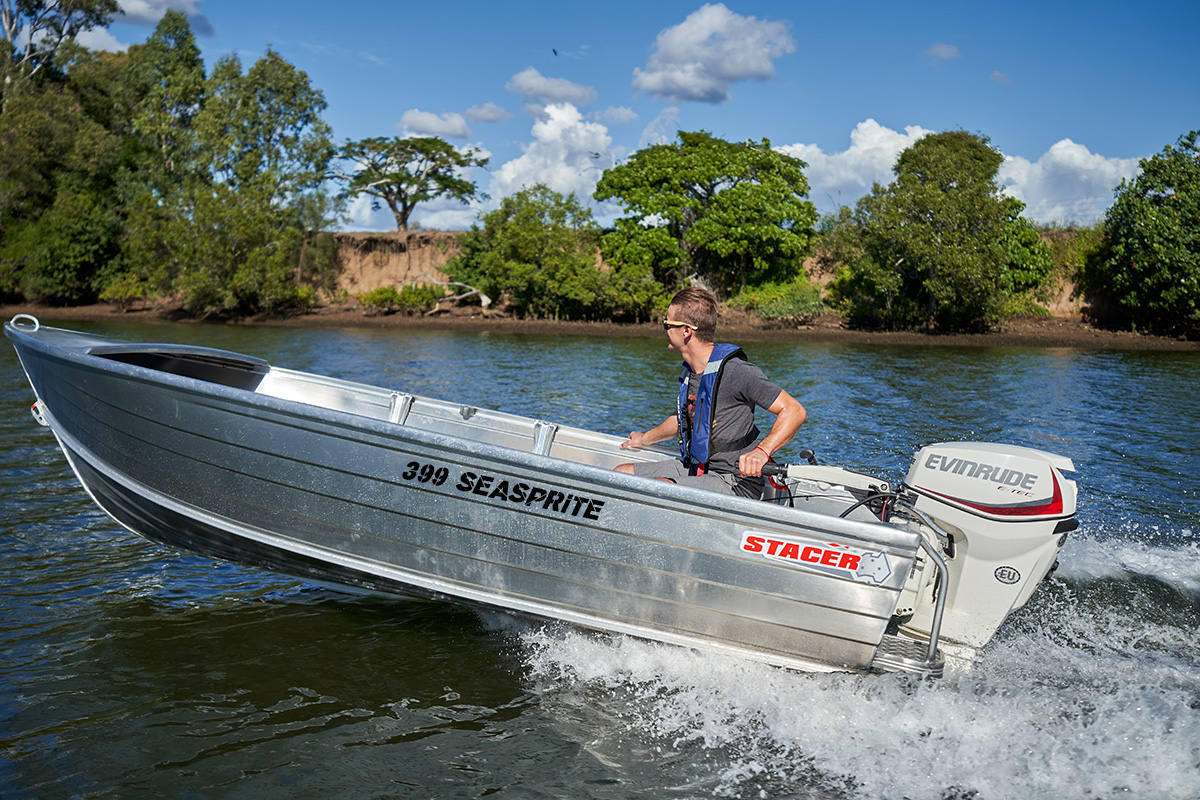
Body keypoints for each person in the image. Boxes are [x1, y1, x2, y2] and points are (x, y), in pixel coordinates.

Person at [616, 288, 807, 498]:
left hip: (734, 482)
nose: (664, 329)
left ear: (686, 331)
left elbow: (794, 411)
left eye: (667, 324)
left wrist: (762, 452)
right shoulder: (691, 371)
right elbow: (683, 420)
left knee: (657, 488)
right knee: (620, 474)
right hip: (696, 468)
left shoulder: (737, 372)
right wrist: (643, 439)